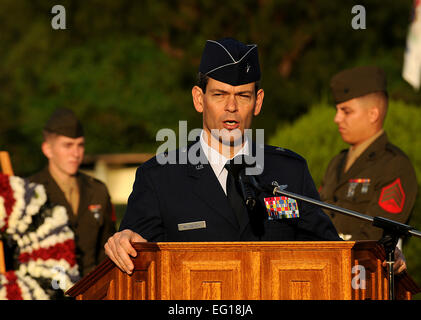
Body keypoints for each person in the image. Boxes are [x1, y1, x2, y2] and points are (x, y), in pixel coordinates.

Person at [105, 39, 405, 276]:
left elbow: (329, 253)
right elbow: (135, 260)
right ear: (199, 99)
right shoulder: (160, 177)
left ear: (257, 102)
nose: (231, 108)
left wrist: (376, 259)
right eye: (220, 95)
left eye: (243, 96)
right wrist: (123, 241)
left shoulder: (289, 172)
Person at [320, 66, 418, 246]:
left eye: (346, 111)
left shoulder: (394, 166)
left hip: (365, 271)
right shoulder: (336, 163)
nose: (337, 118)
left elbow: (376, 235)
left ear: (373, 114)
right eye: (337, 110)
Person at [29, 108, 116, 277]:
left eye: (80, 145)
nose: (76, 153)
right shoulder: (29, 192)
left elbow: (108, 247)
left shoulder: (97, 190)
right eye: (67, 145)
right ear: (47, 149)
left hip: (91, 289)